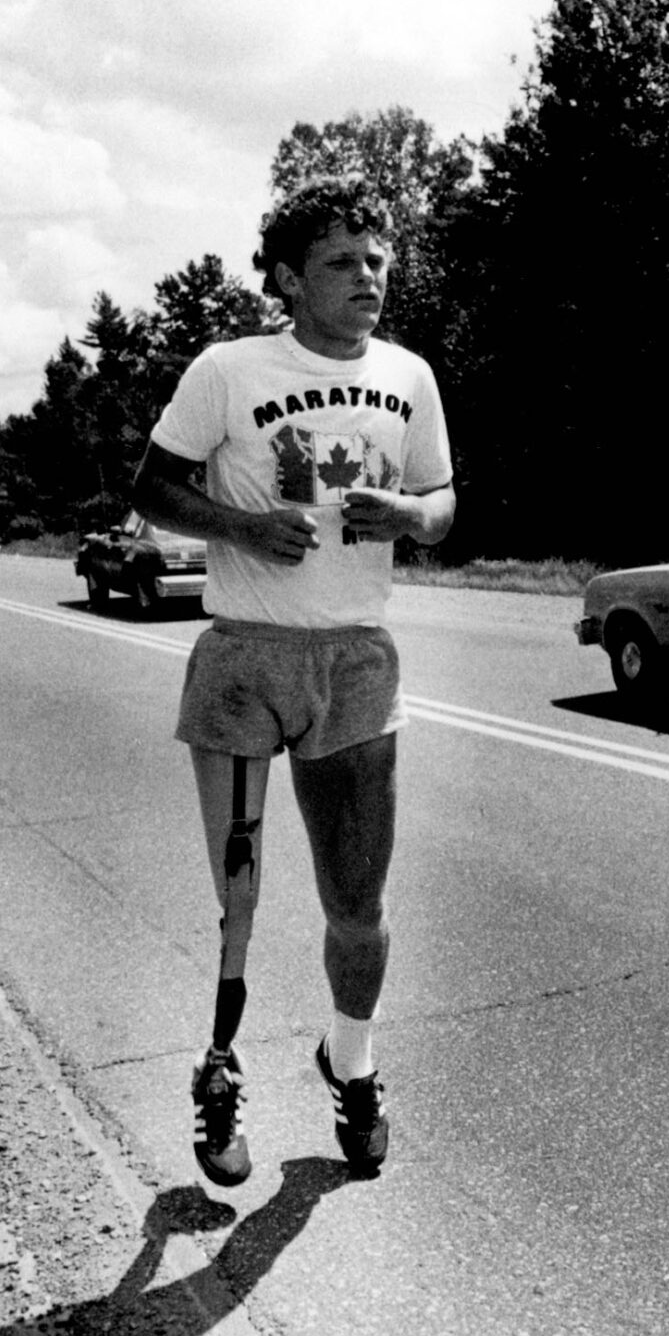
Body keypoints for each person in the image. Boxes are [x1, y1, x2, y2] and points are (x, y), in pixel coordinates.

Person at [129, 175, 455, 1186]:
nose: (368, 278)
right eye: (341, 264)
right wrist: (239, 527)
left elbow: (442, 498)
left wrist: (407, 517)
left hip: (356, 658)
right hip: (244, 654)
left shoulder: (408, 375)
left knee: (357, 899)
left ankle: (351, 1067)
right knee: (240, 895)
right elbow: (149, 484)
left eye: (376, 260)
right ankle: (217, 1074)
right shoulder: (227, 369)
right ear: (285, 278)